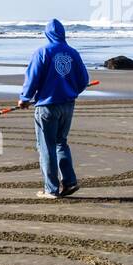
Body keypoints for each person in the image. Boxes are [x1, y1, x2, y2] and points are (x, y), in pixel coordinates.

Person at [17, 19, 89, 199]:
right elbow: (83, 80)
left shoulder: (42, 52)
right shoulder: (73, 53)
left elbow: (32, 77)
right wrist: (71, 92)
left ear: (47, 34)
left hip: (47, 107)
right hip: (67, 105)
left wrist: (25, 98)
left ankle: (51, 189)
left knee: (46, 147)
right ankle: (70, 181)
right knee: (60, 142)